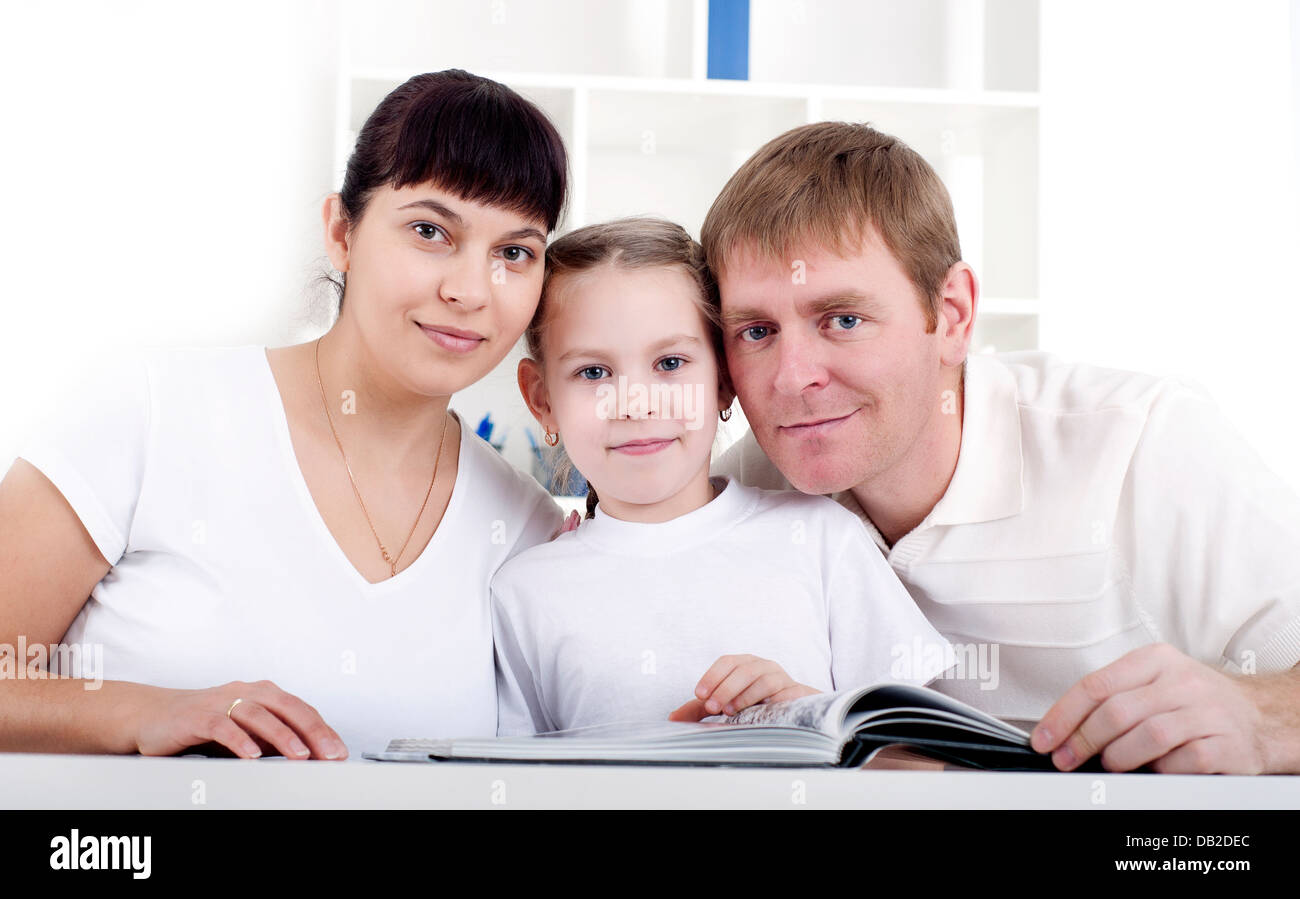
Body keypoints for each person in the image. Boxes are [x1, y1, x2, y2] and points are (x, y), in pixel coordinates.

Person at [0, 69, 578, 759]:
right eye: (430, 230)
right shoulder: (150, 412)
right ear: (341, 231)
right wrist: (145, 712)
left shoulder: (527, 532)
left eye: (514, 252)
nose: (468, 290)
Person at [705, 121, 1300, 774]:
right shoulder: (740, 490)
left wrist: (1264, 717)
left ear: (953, 314)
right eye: (756, 331)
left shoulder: (1138, 442)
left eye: (844, 320)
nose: (792, 378)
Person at [491, 217, 950, 736]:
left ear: (724, 381)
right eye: (593, 373)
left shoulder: (822, 540)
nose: (636, 404)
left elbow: (924, 756)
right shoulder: (524, 592)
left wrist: (810, 715)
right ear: (542, 400)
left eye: (670, 363)